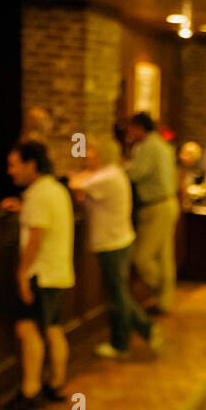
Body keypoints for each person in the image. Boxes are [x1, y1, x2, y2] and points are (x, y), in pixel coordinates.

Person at [68, 134, 162, 360]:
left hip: (113, 244)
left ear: (102, 155)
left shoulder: (107, 177)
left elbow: (73, 183)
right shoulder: (110, 173)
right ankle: (144, 329)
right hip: (117, 240)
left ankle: (122, 343)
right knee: (119, 293)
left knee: (117, 296)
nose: (86, 154)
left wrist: (79, 179)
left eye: (91, 150)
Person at [0, 141, 74, 410]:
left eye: (13, 164)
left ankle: (30, 390)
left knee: (27, 330)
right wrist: (23, 210)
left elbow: (36, 237)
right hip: (59, 271)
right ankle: (57, 384)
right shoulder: (54, 190)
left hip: (41, 274)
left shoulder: (38, 195)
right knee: (53, 329)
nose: (10, 171)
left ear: (31, 164)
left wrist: (21, 274)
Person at [124, 112, 179, 314]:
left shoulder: (148, 146)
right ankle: (165, 301)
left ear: (139, 128)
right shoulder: (161, 145)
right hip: (168, 203)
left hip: (156, 206)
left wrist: (118, 169)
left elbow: (136, 173)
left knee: (142, 257)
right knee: (164, 256)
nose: (129, 133)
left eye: (130, 128)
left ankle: (159, 289)